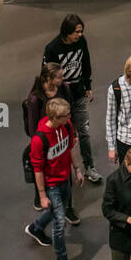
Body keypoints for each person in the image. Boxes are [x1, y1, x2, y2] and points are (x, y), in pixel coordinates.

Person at [25, 97, 85, 260]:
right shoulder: (39, 140)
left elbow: (71, 147)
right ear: (56, 118)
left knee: (57, 211)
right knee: (59, 223)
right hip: (51, 185)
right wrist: (42, 196)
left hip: (65, 178)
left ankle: (36, 228)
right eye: (67, 115)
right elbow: (38, 170)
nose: (70, 117)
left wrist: (77, 169)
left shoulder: (66, 125)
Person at [43, 15, 102, 183]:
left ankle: (89, 167)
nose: (80, 34)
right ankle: (64, 171)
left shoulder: (81, 42)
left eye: (81, 31)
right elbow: (46, 74)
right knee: (65, 134)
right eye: (77, 32)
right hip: (61, 99)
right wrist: (52, 98)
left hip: (78, 94)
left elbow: (86, 64)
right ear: (67, 32)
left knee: (84, 131)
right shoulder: (52, 49)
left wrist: (87, 86)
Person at [24, 63, 78, 222]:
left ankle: (68, 208)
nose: (63, 79)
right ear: (48, 78)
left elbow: (71, 112)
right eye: (59, 77)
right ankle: (41, 194)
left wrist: (73, 133)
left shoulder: (64, 89)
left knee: (66, 170)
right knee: (42, 170)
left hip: (62, 136)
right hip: (46, 141)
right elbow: (33, 128)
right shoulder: (35, 98)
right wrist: (40, 145)